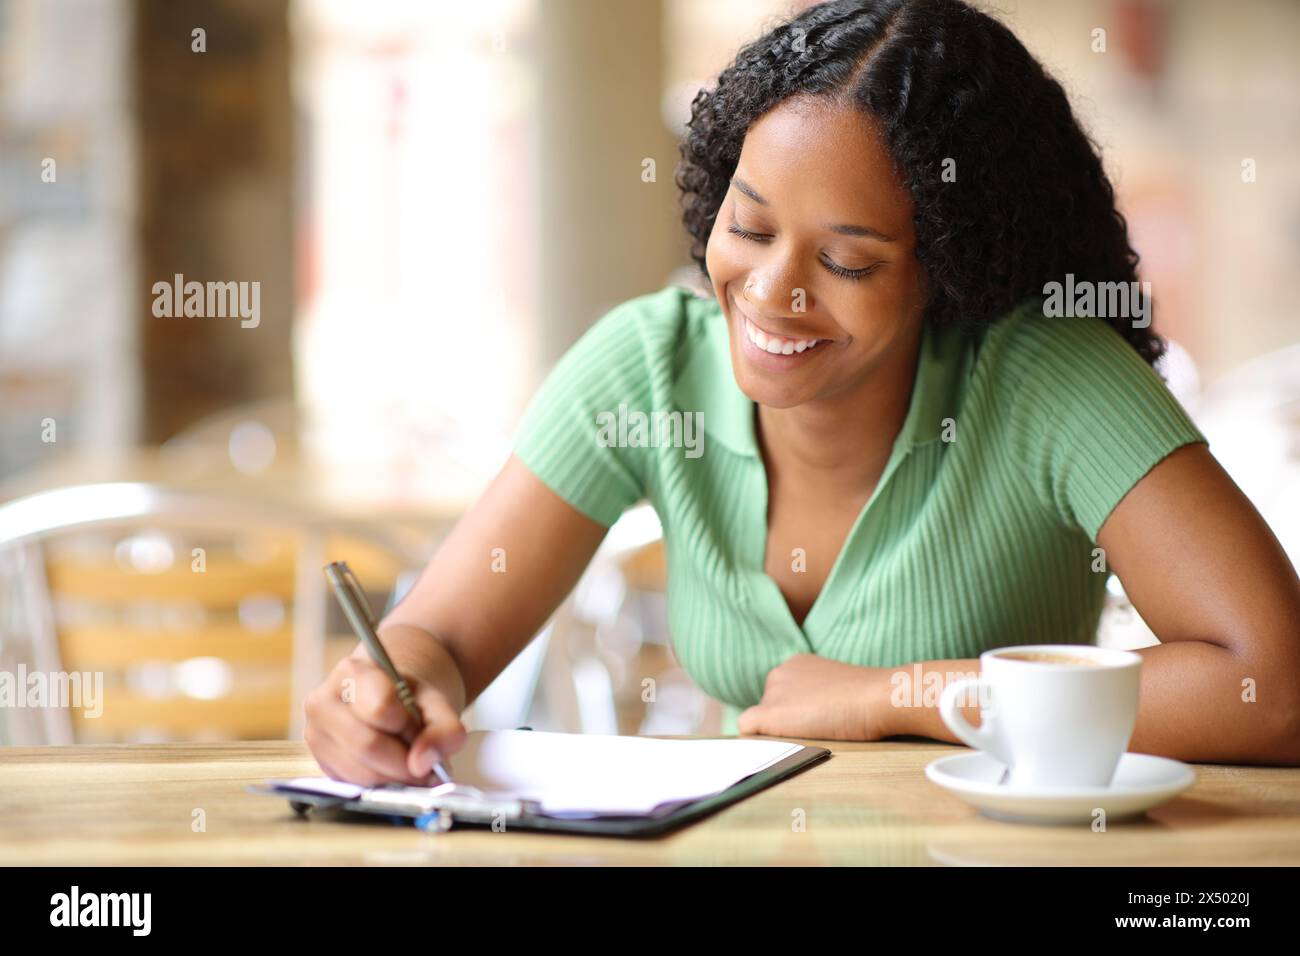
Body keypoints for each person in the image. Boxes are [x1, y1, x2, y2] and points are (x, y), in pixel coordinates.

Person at [304, 0, 1300, 786]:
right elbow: (436, 636)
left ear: (947, 270)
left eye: (847, 261)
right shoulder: (649, 367)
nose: (773, 290)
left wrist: (894, 695)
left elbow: (1273, 683)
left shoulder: (1050, 378)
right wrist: (381, 689)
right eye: (749, 225)